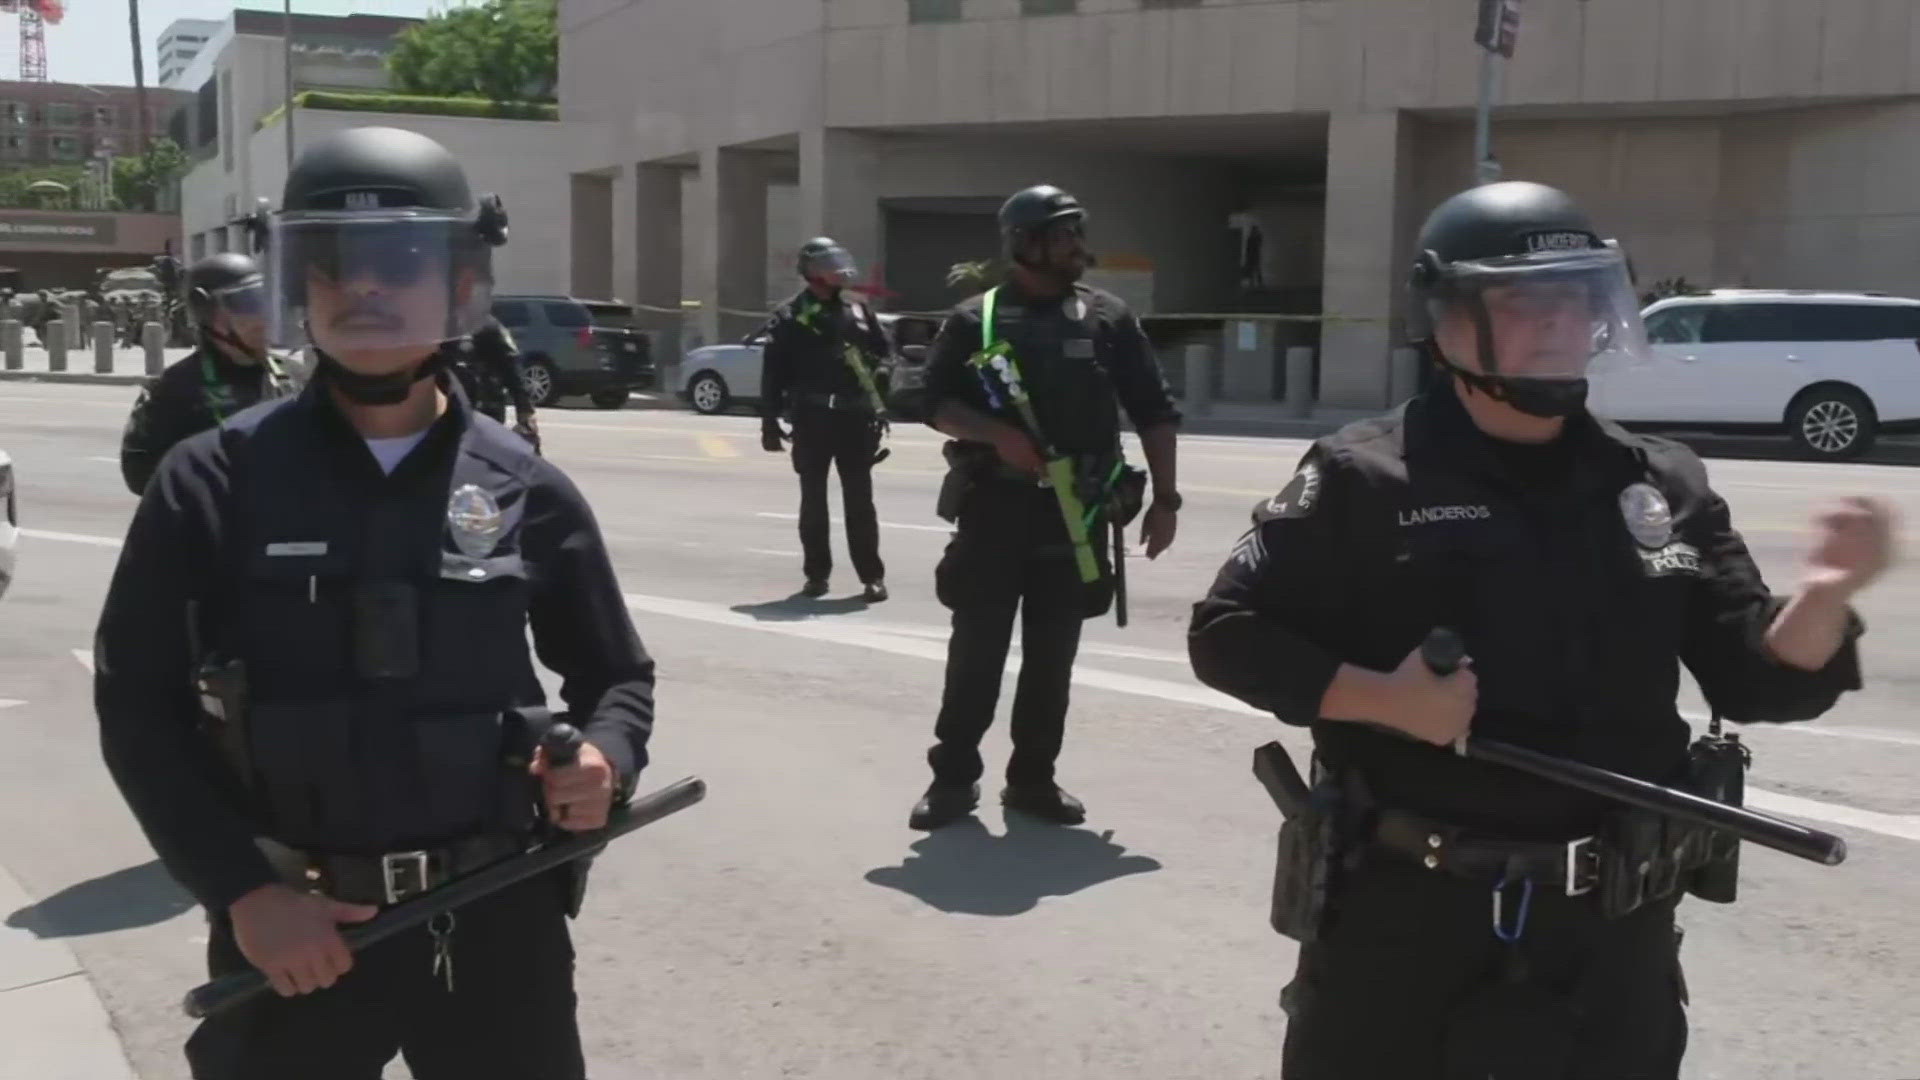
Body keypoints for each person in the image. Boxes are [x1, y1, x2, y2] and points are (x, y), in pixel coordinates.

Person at [1187, 180, 1897, 1079]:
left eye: (1578, 300)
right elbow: (1228, 632)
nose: (1562, 326)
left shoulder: (1659, 482)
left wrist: (1827, 598)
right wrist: (1383, 701)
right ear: (1445, 325)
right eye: (1526, 303)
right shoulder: (1364, 476)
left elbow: (1757, 678)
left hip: (1610, 933)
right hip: (1408, 919)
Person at [93, 125, 656, 1080]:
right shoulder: (212, 481)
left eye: (401, 261)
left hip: (496, 915)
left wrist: (606, 757)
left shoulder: (524, 487)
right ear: (299, 286)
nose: (365, 289)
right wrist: (241, 894)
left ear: (464, 285)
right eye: (333, 265)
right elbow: (137, 707)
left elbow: (616, 675)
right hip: (298, 926)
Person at [909, 184, 1182, 830]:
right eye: (1062, 235)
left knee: (1052, 656)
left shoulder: (1107, 317)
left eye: (1075, 234)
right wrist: (994, 434)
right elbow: (925, 400)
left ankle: (1032, 779)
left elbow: (1153, 409)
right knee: (976, 650)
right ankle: (952, 779)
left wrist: (1166, 500)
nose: (1076, 247)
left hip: (1076, 515)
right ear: (1023, 244)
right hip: (995, 512)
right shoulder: (974, 319)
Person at [759, 236, 892, 600]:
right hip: (813, 419)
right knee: (814, 502)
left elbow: (884, 353)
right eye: (829, 263)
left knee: (860, 502)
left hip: (855, 419)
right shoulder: (790, 315)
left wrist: (880, 381)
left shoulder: (860, 308)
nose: (839, 269)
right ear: (811, 271)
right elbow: (773, 373)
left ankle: (872, 576)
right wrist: (769, 422)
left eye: (839, 260)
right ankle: (817, 576)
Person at [118, 252, 292, 496]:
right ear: (207, 312)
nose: (263, 316)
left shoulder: (298, 377)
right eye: (248, 303)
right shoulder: (173, 389)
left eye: (266, 300)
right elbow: (139, 474)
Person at [453, 316, 541, 451]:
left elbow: (511, 367)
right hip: (450, 412)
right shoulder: (441, 327)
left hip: (485, 410)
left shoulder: (488, 326)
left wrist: (525, 411)